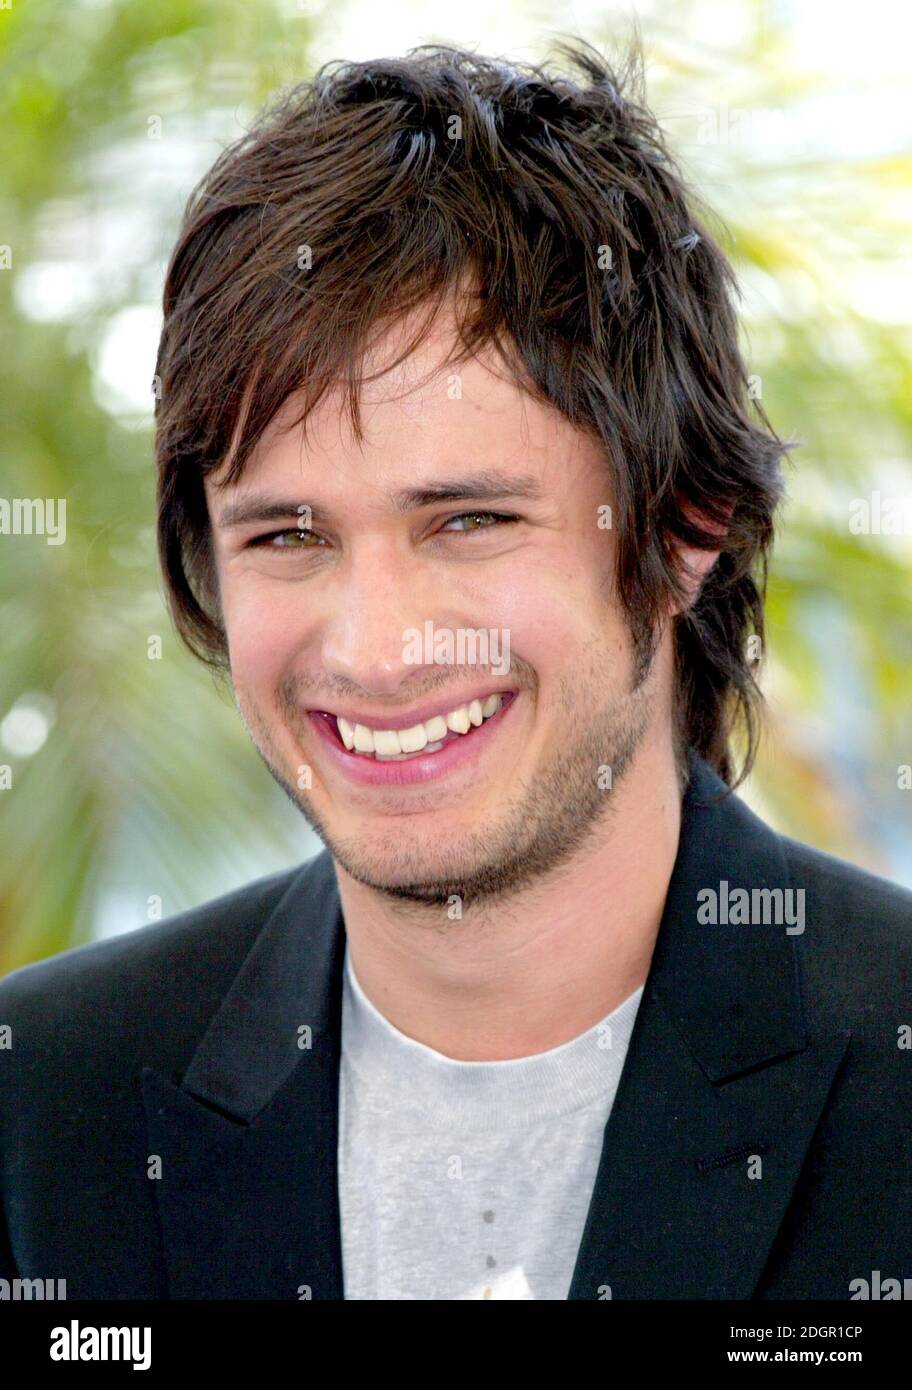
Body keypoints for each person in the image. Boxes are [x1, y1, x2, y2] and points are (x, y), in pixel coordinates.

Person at [1, 40, 910, 1302]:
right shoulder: (43, 1098)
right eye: (289, 535)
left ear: (684, 529)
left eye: (469, 522)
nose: (375, 649)